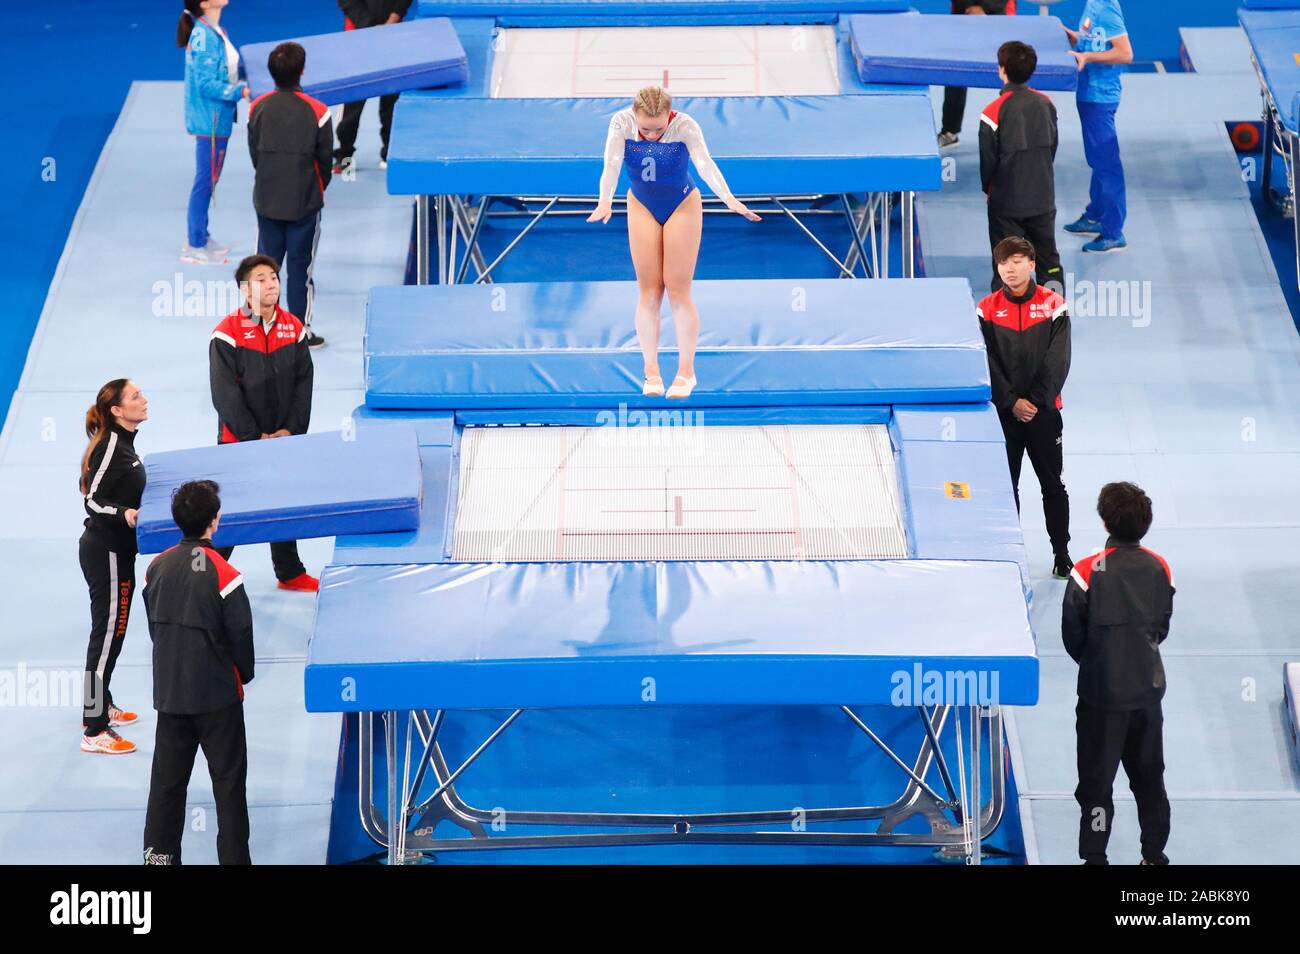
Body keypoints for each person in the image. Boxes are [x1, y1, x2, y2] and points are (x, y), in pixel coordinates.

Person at [587, 86, 759, 400]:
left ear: (670, 116)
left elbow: (705, 165)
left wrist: (729, 199)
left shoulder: (685, 126)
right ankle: (651, 371)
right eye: (645, 128)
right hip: (641, 204)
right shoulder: (621, 123)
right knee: (649, 291)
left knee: (678, 289)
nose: (651, 135)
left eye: (658, 128)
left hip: (682, 204)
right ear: (634, 115)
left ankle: (686, 372)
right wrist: (605, 201)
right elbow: (611, 164)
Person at [142, 480, 254, 865]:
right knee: (228, 784)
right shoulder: (225, 575)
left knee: (166, 784)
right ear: (215, 520)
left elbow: (155, 626)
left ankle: (159, 859)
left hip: (170, 693)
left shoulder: (155, 568)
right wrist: (244, 674)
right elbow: (240, 637)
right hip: (217, 697)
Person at [1062, 481, 1174, 866]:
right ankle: (1154, 855)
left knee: (1097, 784)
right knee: (1149, 780)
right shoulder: (1159, 566)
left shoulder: (1087, 569)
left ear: (1105, 520)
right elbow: (1161, 626)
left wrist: (1100, 663)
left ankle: (1095, 857)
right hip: (1146, 694)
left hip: (1101, 698)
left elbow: (1072, 634)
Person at [209, 254, 319, 592]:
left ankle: (289, 572)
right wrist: (253, 436)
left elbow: (304, 384)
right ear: (245, 289)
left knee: (284, 501)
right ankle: (207, 575)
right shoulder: (226, 334)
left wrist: (291, 429)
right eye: (261, 278)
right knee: (229, 510)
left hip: (284, 437)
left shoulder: (295, 329)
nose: (271, 283)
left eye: (274, 277)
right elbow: (224, 394)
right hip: (238, 440)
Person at [977, 236, 1073, 578]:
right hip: (1005, 417)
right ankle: (1009, 555)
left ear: (1032, 265)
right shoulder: (985, 309)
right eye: (1004, 263)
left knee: (1053, 485)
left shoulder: (1054, 306)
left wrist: (1033, 401)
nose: (1010, 269)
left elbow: (1057, 361)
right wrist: (1011, 402)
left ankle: (1061, 553)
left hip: (1044, 415)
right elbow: (987, 362)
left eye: (1017, 261)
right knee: (1006, 487)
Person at [79, 379, 149, 755]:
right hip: (104, 551)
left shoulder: (125, 442)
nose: (144, 399)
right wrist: (125, 513)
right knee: (105, 640)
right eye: (136, 396)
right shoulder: (110, 444)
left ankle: (101, 702)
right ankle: (93, 728)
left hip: (119, 552)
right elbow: (92, 499)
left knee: (113, 635)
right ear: (118, 411)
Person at [248, 41, 333, 348]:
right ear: (302, 71)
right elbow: (326, 162)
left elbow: (255, 154)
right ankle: (299, 333)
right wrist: (312, 190)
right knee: (301, 270)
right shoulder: (319, 112)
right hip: (304, 207)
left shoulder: (257, 108)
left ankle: (257, 329)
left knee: (264, 270)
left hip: (267, 202)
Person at [979, 40, 1063, 293]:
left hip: (1006, 202)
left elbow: (987, 162)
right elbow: (1052, 148)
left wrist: (991, 192)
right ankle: (1055, 314)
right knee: (1049, 260)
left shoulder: (992, 112)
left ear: (1002, 69)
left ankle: (1005, 322)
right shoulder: (1047, 103)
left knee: (1008, 263)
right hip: (1042, 198)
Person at [179, 0, 249, 265]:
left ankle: (202, 235)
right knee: (205, 181)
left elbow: (226, 70)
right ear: (204, 3)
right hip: (209, 119)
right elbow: (206, 84)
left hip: (218, 118)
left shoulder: (215, 30)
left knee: (211, 179)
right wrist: (241, 91)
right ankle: (194, 243)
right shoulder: (203, 36)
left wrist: (248, 74)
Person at [1062, 0, 1133, 254]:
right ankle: (1095, 216)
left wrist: (1087, 56)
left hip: (1100, 97)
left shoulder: (1107, 7)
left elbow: (1125, 53)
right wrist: (1075, 38)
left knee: (1107, 165)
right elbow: (1094, 38)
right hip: (1089, 93)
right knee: (1097, 161)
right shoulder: (1093, 4)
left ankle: (1114, 232)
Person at [332, 0, 413, 173]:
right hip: (358, 37)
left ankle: (389, 154)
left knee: (391, 99)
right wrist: (370, 28)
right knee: (352, 103)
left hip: (392, 34)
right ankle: (344, 157)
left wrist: (392, 21)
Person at [937, 0, 1016, 150]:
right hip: (963, 13)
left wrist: (984, 7)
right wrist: (969, 6)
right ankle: (950, 131)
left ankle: (1012, 132)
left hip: (999, 12)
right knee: (956, 69)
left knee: (1010, 72)